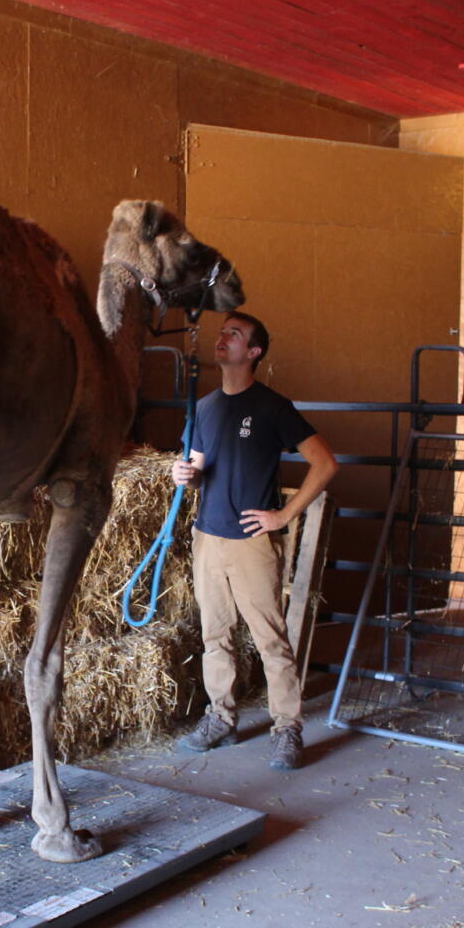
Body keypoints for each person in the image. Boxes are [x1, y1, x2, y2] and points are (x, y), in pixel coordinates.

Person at [172, 311, 339, 770]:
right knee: (214, 636)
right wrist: (182, 472)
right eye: (223, 332)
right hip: (209, 536)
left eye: (234, 335)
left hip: (251, 542)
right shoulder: (204, 407)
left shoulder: (272, 407)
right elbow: (196, 465)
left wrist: (284, 514)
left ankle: (287, 728)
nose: (222, 339)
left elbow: (324, 463)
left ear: (254, 352)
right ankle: (220, 718)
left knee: (270, 638)